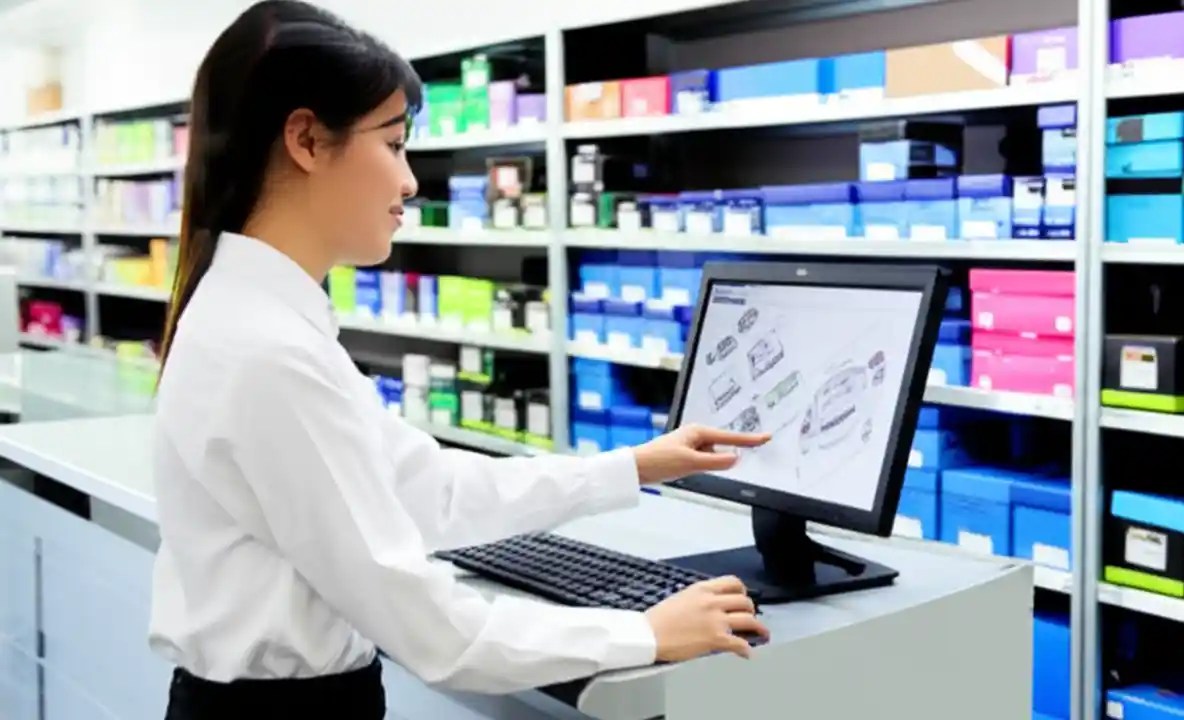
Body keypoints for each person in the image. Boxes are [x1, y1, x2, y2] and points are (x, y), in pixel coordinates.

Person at [149, 2, 770, 718]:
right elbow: (429, 626)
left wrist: (634, 465)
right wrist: (643, 632)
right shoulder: (268, 352)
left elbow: (427, 491)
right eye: (393, 144)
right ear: (307, 140)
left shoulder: (261, 320)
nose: (409, 182)